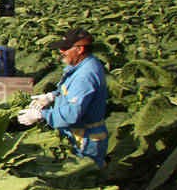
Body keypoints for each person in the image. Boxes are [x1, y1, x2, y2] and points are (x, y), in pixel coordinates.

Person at [15, 28, 108, 167]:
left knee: (81, 177)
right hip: (78, 134)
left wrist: (40, 114)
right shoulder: (84, 66)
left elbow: (72, 113)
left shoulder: (84, 76)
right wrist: (51, 96)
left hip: (84, 140)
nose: (60, 52)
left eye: (65, 48)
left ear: (80, 49)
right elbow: (70, 92)